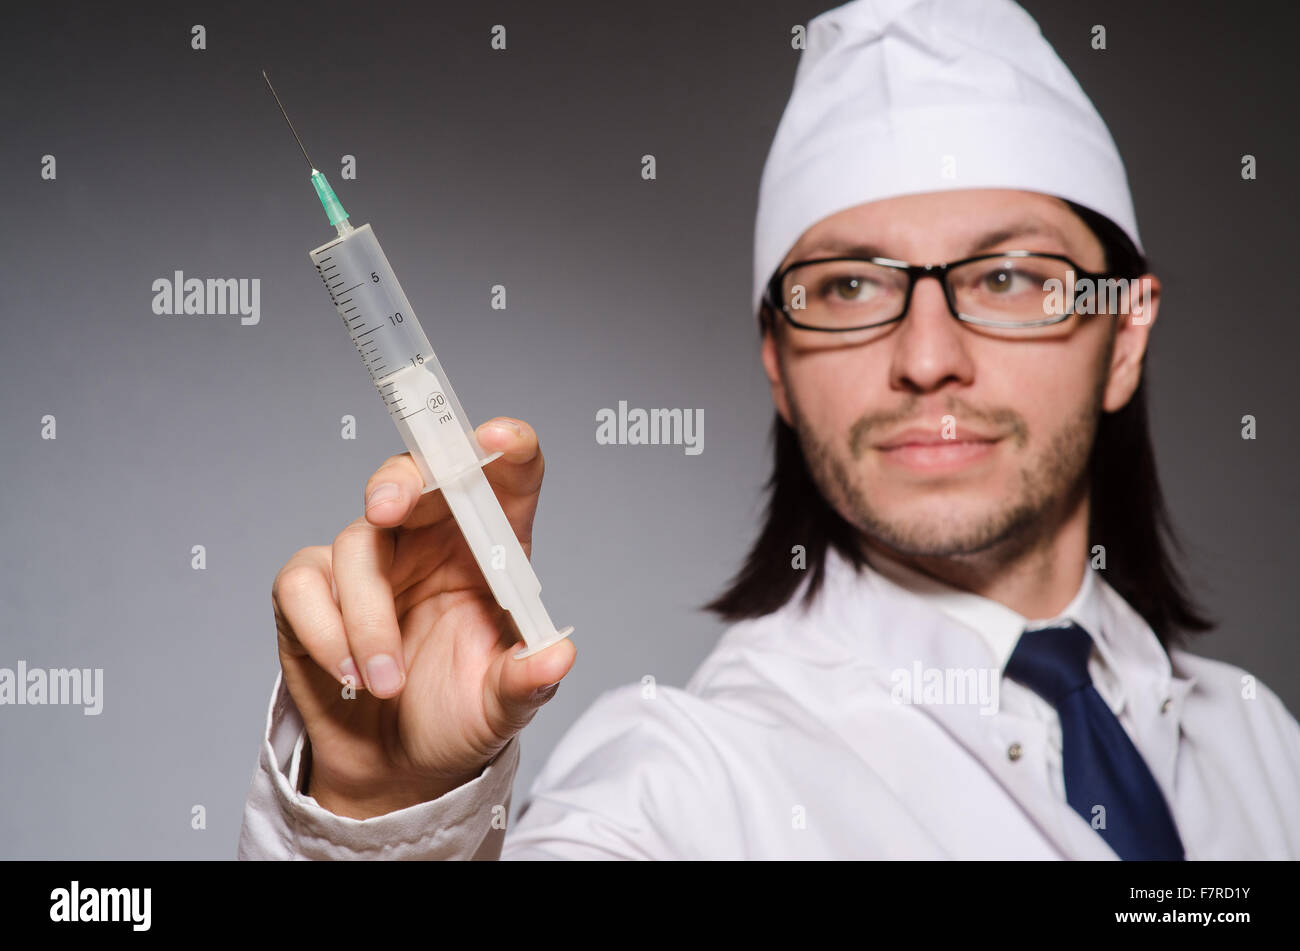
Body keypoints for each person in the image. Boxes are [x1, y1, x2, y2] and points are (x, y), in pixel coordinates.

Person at [238, 0, 1300, 859]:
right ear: (779, 368)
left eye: (1010, 276)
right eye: (844, 288)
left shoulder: (1262, 747)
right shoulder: (686, 786)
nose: (925, 353)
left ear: (1121, 336)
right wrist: (379, 818)